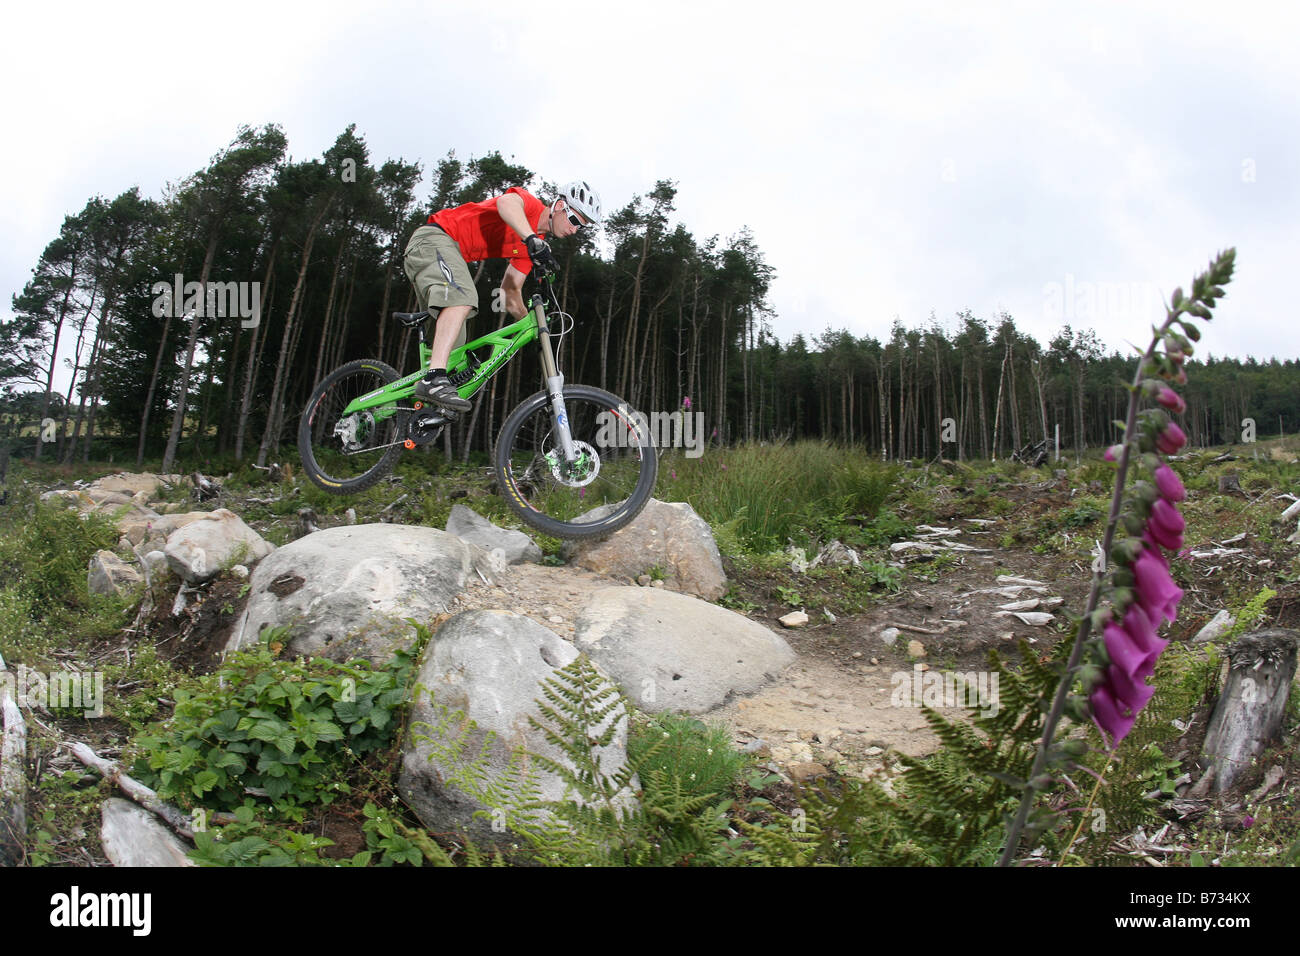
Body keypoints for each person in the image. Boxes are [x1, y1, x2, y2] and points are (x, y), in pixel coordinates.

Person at [402, 180, 602, 411]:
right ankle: (433, 379)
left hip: (445, 254)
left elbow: (509, 292)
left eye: (581, 227)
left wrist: (530, 324)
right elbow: (506, 203)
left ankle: (416, 407)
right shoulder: (529, 206)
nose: (575, 229)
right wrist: (531, 238)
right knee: (463, 296)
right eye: (575, 220)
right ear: (558, 205)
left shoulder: (530, 249)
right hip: (434, 239)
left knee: (454, 351)